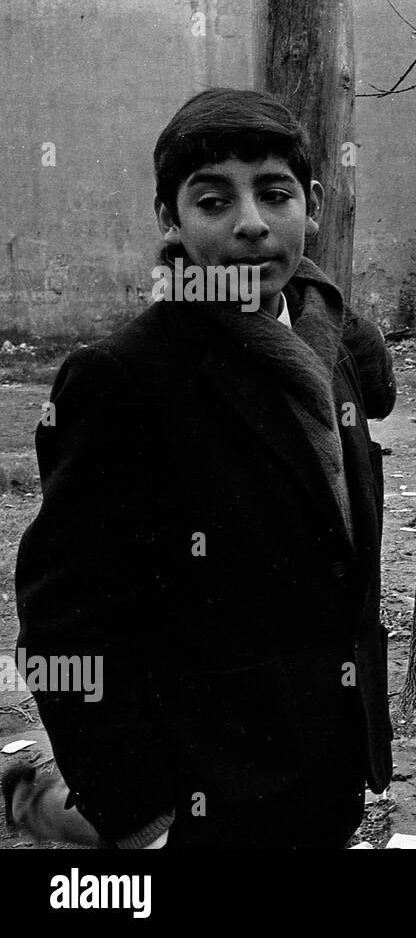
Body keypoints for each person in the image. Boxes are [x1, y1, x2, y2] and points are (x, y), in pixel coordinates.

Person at [10, 88, 395, 848]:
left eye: (274, 193)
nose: (251, 222)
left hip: (329, 772)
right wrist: (141, 819)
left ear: (311, 204)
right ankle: (37, 796)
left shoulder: (325, 340)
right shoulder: (123, 379)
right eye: (214, 199)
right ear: (170, 219)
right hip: (204, 800)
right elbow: (64, 623)